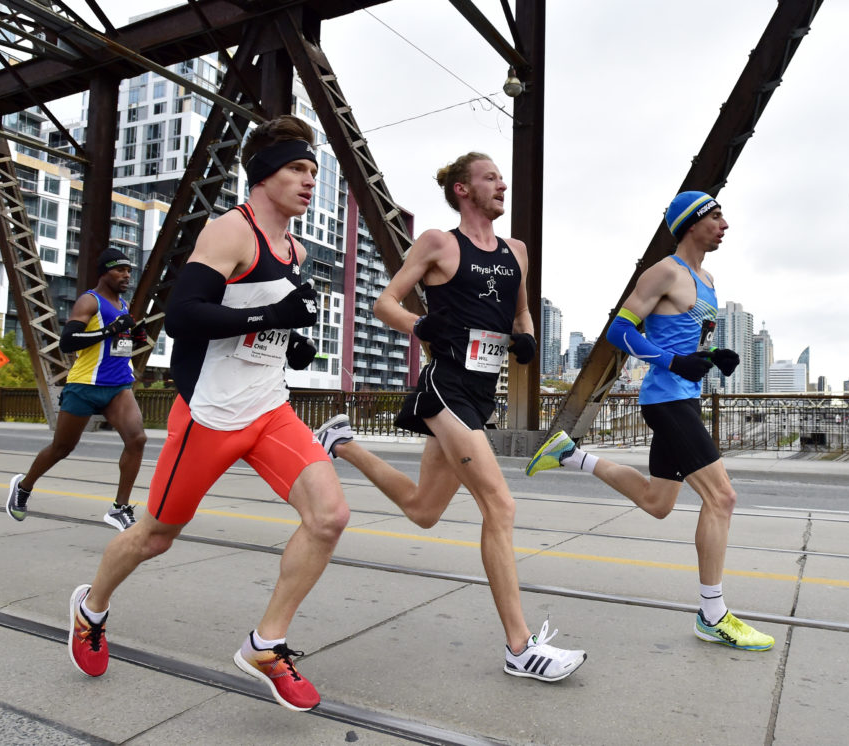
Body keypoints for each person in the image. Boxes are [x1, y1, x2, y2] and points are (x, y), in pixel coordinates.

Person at [67, 115, 350, 713]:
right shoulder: (231, 232)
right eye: (297, 169)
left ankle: (265, 646)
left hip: (269, 409)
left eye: (311, 171)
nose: (307, 181)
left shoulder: (294, 246)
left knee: (328, 517)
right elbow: (184, 317)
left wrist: (293, 341)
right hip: (211, 414)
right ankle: (90, 608)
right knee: (154, 537)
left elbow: (263, 322)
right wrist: (272, 320)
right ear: (264, 174)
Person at [315, 152, 586, 683]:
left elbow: (520, 309)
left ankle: (342, 443)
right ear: (463, 190)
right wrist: (422, 327)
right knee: (499, 504)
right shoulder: (440, 242)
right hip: (446, 385)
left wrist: (526, 334)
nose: (502, 184)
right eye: (490, 178)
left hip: (482, 390)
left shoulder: (517, 252)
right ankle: (519, 647)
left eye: (501, 177)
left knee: (423, 509)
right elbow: (384, 303)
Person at [525, 191, 775, 652]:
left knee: (657, 501)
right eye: (716, 216)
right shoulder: (664, 271)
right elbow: (620, 330)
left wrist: (709, 357)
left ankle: (570, 454)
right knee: (723, 497)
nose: (725, 224)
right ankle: (712, 614)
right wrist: (675, 363)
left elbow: (682, 338)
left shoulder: (708, 279)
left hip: (685, 397)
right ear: (692, 223)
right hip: (666, 400)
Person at [6, 248, 147, 531]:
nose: (127, 275)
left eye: (129, 270)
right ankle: (23, 486)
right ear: (104, 272)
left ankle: (119, 508)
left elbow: (116, 342)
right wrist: (110, 330)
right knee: (62, 448)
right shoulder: (89, 300)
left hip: (118, 385)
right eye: (120, 270)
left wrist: (132, 334)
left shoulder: (122, 304)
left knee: (138, 439)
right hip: (84, 386)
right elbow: (68, 342)